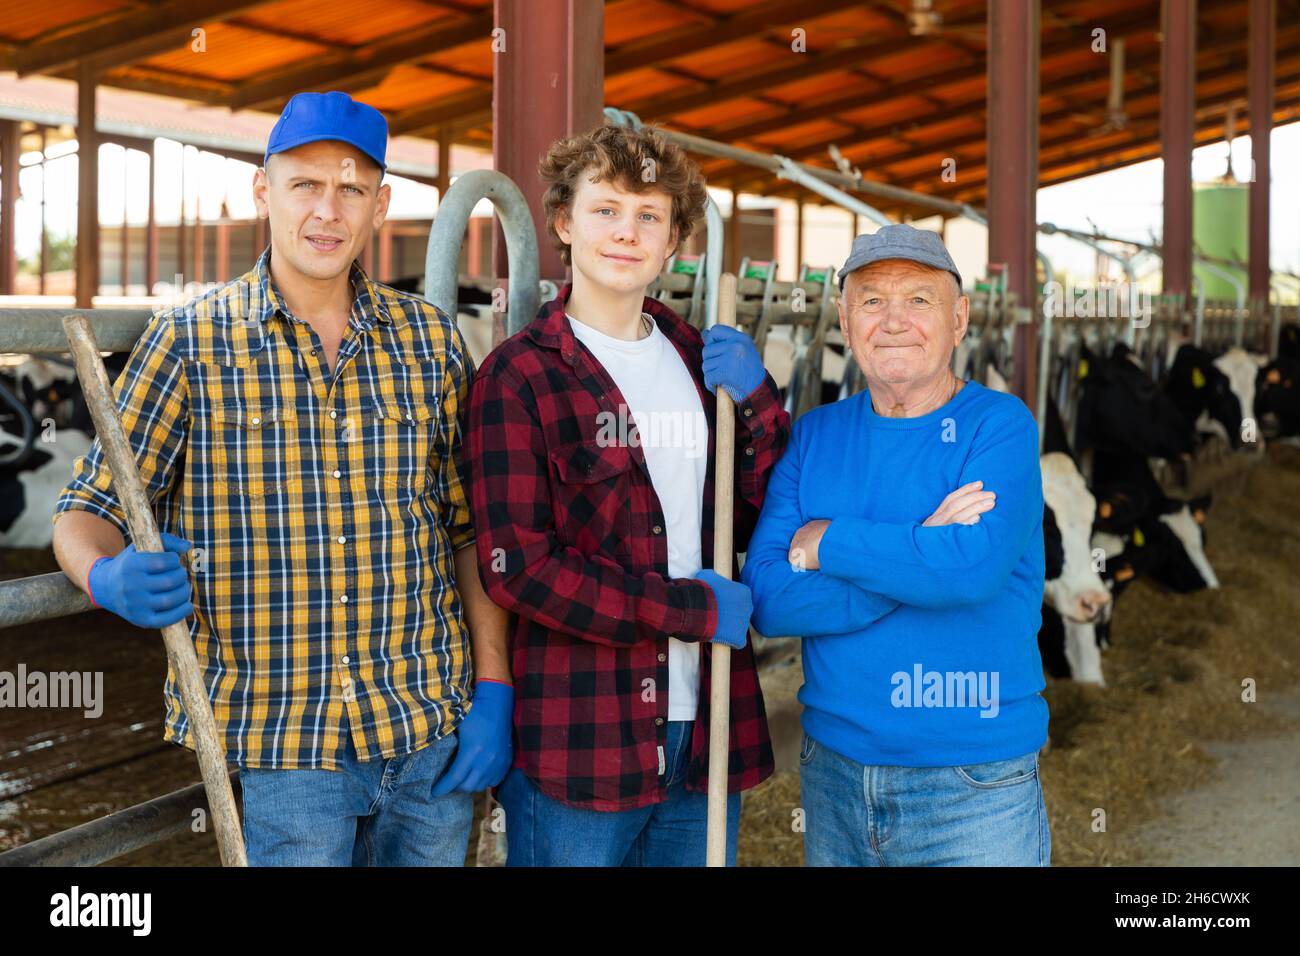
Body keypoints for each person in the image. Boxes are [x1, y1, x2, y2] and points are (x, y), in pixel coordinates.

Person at [51, 91, 512, 866]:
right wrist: (105, 575)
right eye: (304, 184)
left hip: (430, 727)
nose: (327, 211)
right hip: (284, 744)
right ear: (263, 191)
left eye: (351, 189)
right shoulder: (190, 342)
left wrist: (493, 687)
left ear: (379, 206)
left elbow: (469, 530)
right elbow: (86, 505)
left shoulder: (430, 343)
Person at [463, 123, 791, 866]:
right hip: (585, 739)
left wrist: (762, 403)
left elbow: (765, 510)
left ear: (673, 240)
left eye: (649, 216)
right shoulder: (519, 378)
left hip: (706, 725)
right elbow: (520, 568)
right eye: (606, 209)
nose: (626, 232)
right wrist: (687, 610)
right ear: (563, 223)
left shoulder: (698, 360)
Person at [741, 223, 1051, 866]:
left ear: (959, 318)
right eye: (872, 300)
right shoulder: (816, 433)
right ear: (846, 322)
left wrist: (829, 543)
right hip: (834, 775)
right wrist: (921, 550)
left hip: (974, 781)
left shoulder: (999, 427)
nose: (894, 320)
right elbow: (770, 600)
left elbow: (970, 572)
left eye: (919, 300)